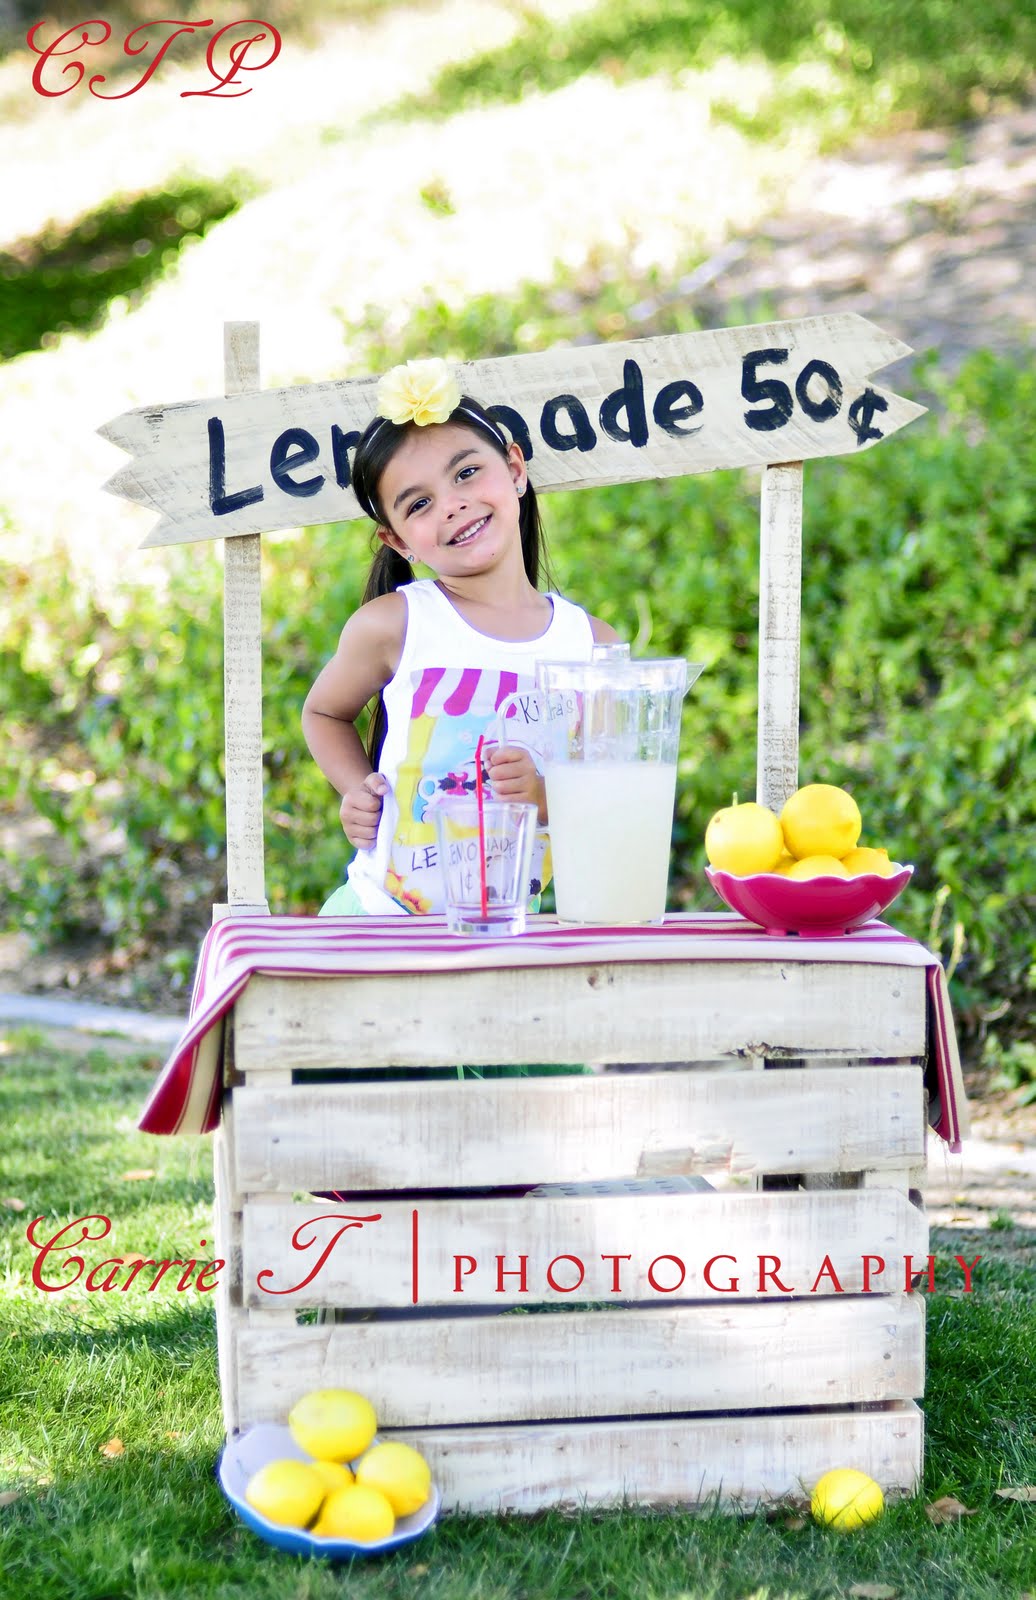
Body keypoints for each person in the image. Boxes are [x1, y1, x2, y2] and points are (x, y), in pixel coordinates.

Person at [302, 357, 621, 916]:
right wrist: (356, 787)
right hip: (378, 922)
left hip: (512, 935)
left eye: (467, 472)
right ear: (397, 540)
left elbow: (612, 798)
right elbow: (324, 713)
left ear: (515, 470)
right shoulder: (395, 625)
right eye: (419, 504)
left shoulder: (593, 646)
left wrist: (546, 798)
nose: (452, 504)